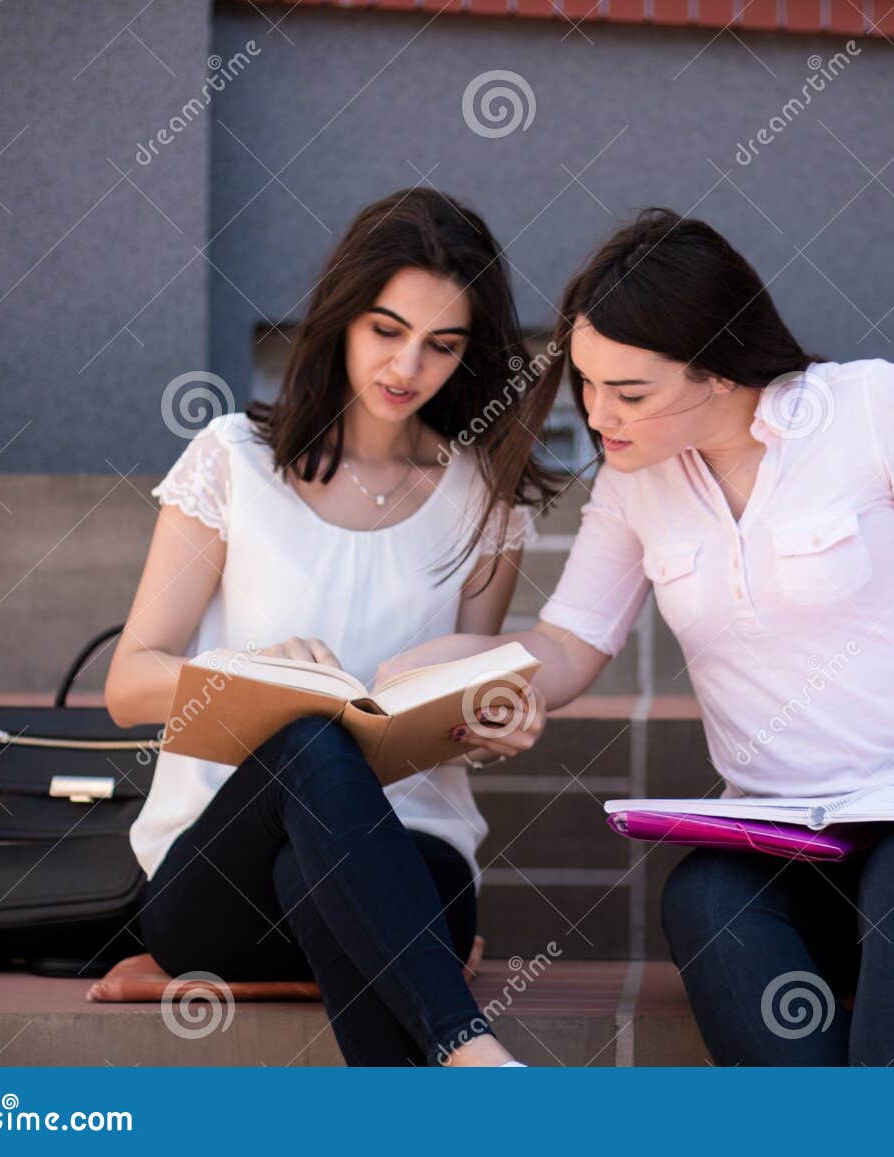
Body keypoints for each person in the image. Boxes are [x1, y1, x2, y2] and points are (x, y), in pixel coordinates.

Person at [376, 208, 894, 1066]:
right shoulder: (634, 478)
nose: (600, 414)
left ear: (717, 370)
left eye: (630, 392)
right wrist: (417, 671)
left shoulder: (875, 408)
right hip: (801, 856)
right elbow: (568, 646)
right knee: (705, 894)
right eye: (586, 383)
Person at [105, 189, 552, 1067]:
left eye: (443, 345)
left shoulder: (482, 499)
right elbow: (129, 684)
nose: (408, 365)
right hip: (219, 881)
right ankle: (468, 1051)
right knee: (311, 738)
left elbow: (452, 716)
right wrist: (251, 676)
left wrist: (489, 716)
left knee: (325, 876)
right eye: (387, 330)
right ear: (343, 317)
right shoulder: (235, 460)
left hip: (413, 861)